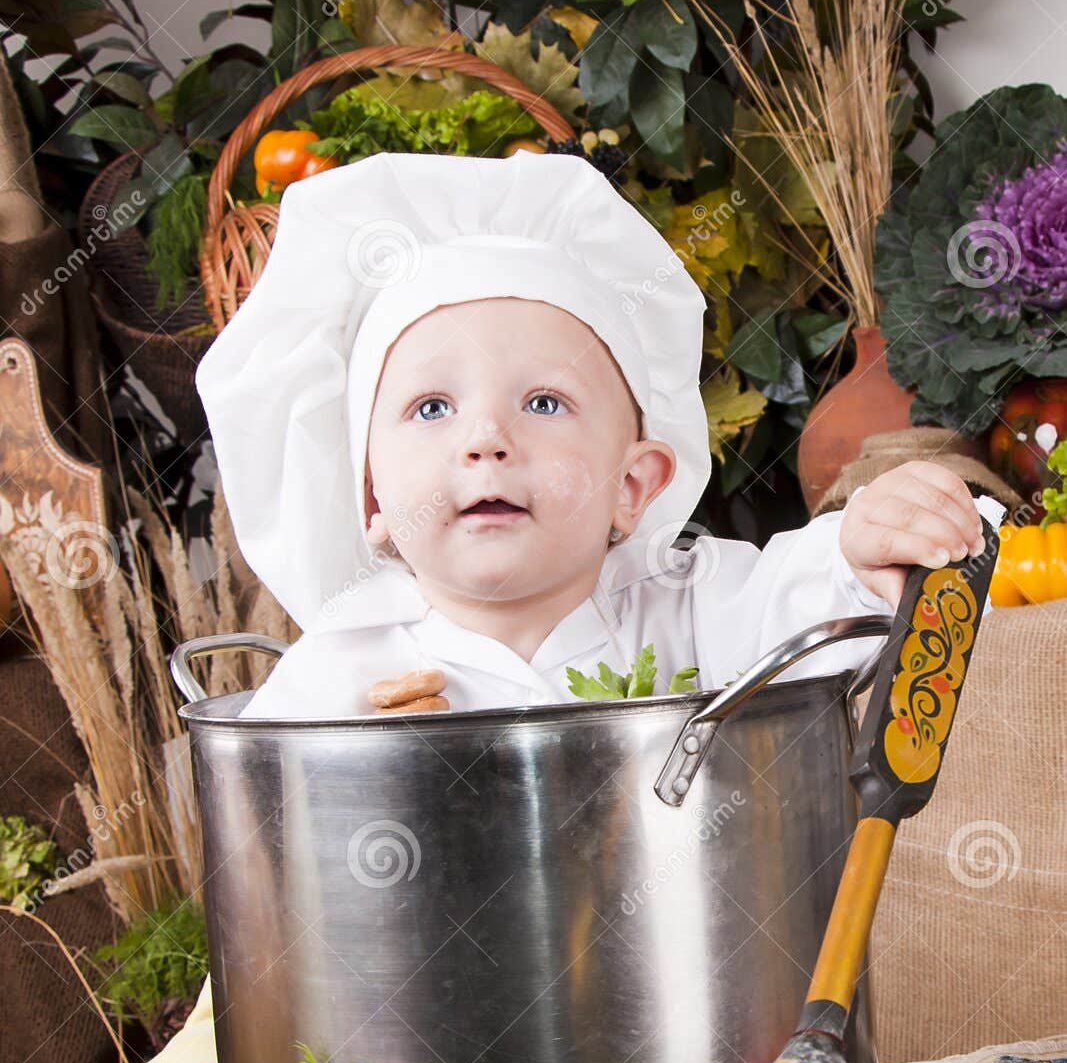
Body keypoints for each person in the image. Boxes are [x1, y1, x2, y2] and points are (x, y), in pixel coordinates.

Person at [194, 152, 1002, 719]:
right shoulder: (334, 676)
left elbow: (807, 604)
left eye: (543, 402)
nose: (484, 439)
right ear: (371, 498)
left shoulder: (690, 607)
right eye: (430, 408)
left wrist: (860, 547)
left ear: (633, 485)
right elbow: (276, 886)